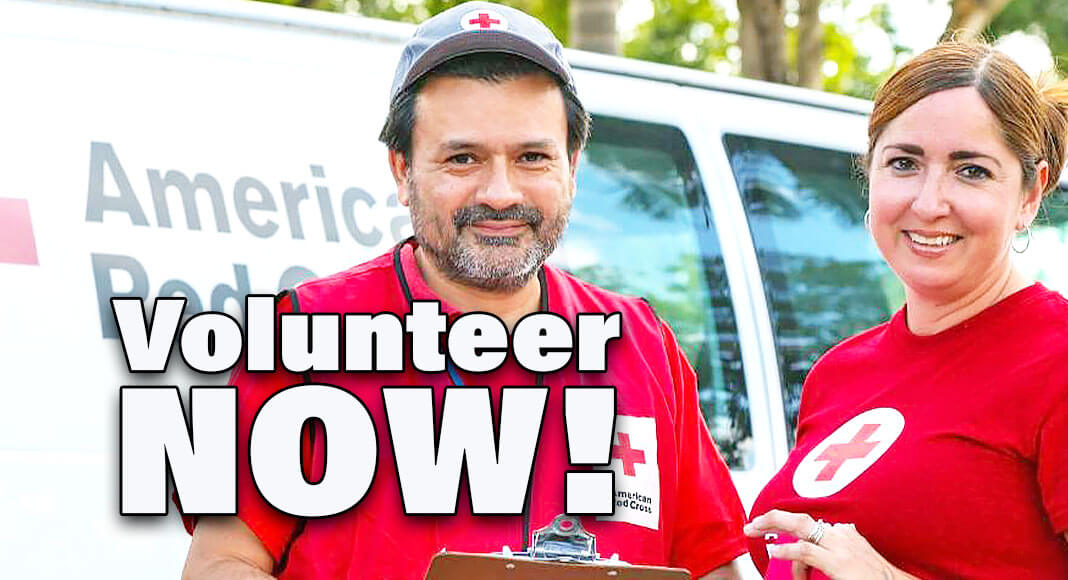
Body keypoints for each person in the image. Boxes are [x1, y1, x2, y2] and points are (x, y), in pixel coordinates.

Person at [179, 2, 748, 578]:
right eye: (462, 158)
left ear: (572, 167)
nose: (500, 193)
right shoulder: (302, 333)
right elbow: (222, 561)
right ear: (403, 171)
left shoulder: (641, 343)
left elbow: (713, 566)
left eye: (532, 157)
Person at [743, 40, 1068, 579]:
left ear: (1031, 195)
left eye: (972, 171)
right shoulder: (840, 373)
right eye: (904, 163)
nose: (928, 202)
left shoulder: (1056, 360)